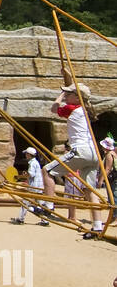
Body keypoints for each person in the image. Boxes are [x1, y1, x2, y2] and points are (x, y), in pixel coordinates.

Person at [46, 73, 106, 239]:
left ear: (77, 97)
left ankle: (47, 206)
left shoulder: (72, 109)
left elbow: (54, 107)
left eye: (69, 94)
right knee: (89, 190)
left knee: (47, 171)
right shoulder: (85, 109)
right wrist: (68, 82)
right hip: (94, 153)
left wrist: (61, 94)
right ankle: (97, 226)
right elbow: (74, 95)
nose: (66, 96)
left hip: (81, 151)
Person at [11, 147, 50, 226]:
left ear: (29, 155)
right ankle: (44, 220)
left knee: (25, 201)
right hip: (39, 186)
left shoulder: (32, 163)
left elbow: (30, 174)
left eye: (26, 154)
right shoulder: (36, 162)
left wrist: (19, 177)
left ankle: (20, 219)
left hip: (34, 186)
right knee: (40, 203)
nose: (25, 155)